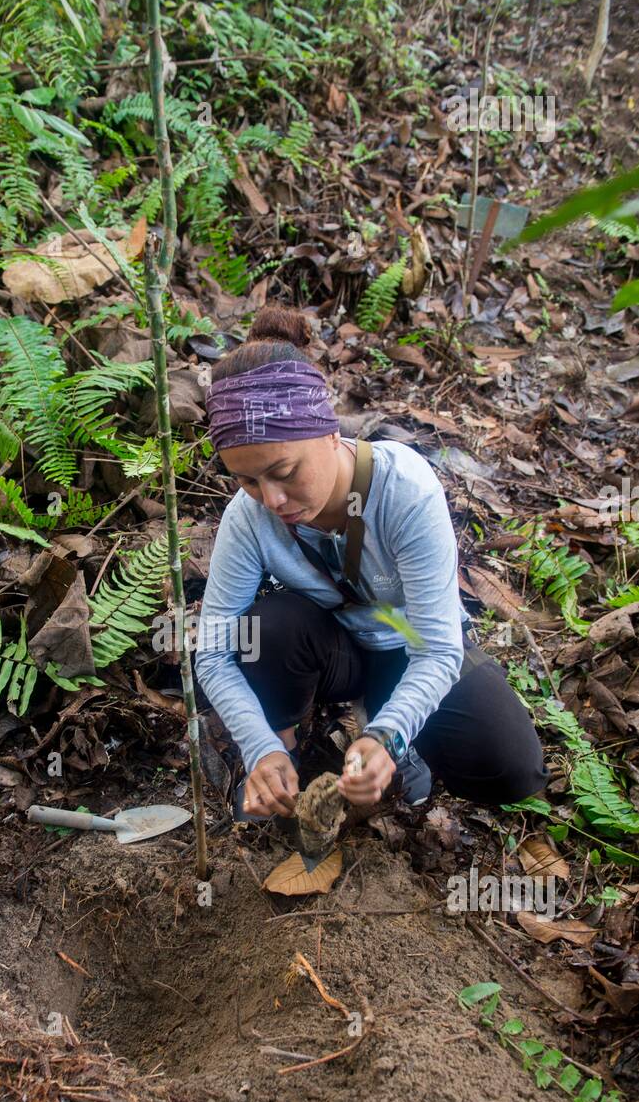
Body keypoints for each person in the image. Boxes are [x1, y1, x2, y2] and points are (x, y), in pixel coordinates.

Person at [194, 304, 549, 821]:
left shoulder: (404, 489)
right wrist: (258, 746)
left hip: (409, 646)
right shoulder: (247, 518)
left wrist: (387, 735)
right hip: (333, 648)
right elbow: (212, 652)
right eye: (248, 481)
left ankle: (395, 737)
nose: (270, 499)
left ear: (331, 433)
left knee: (511, 768)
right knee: (266, 628)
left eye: (284, 471)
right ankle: (284, 752)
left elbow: (438, 649)